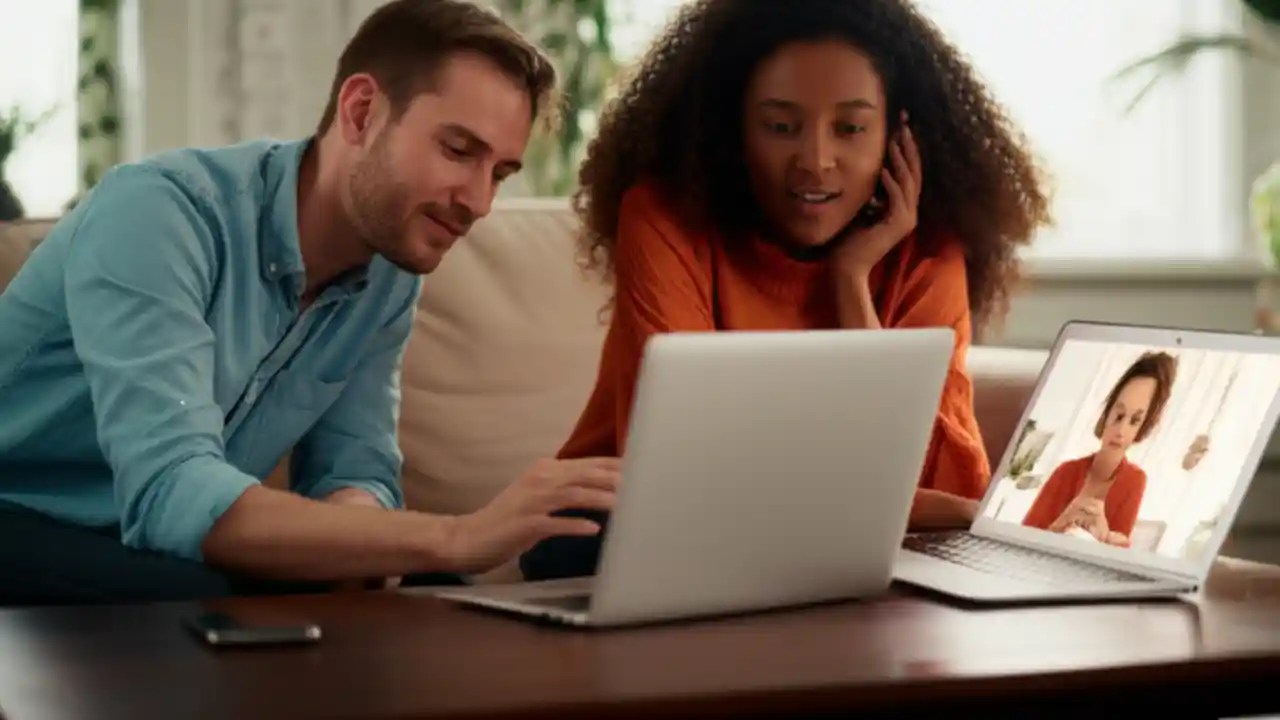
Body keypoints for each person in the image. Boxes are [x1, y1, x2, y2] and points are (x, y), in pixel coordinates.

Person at [0, 0, 620, 606]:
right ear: (361, 111)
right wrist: (456, 535)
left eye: (501, 173)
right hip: (23, 513)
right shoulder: (160, 214)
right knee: (211, 596)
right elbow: (172, 492)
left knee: (436, 598)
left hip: (146, 547)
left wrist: (362, 528)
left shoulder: (389, 268)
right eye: (458, 151)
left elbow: (356, 465)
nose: (479, 202)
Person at [519, 0, 1052, 581]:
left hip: (847, 550)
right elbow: (682, 466)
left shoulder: (928, 250)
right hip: (621, 527)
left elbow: (933, 481)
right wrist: (885, 502)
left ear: (898, 137)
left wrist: (851, 283)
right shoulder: (665, 219)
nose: (816, 161)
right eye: (780, 127)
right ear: (734, 129)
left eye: (850, 128)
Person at [1023, 351, 1178, 547]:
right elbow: (1024, 537)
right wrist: (1062, 523)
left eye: (1135, 421)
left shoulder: (1134, 481)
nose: (1121, 431)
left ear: (1143, 427)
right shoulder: (1066, 472)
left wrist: (1103, 536)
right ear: (1107, 414)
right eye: (1119, 415)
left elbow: (1117, 556)